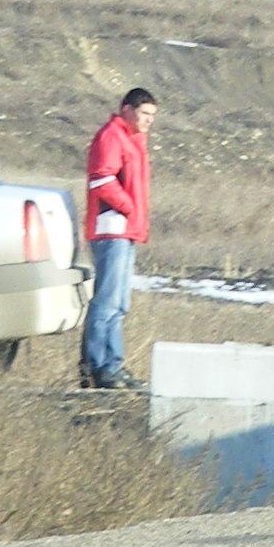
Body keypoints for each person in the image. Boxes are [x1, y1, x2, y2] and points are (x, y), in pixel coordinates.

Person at [80, 87, 157, 389]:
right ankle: (97, 366)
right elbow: (102, 179)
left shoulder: (134, 140)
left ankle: (113, 365)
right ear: (127, 109)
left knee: (119, 302)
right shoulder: (112, 136)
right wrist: (128, 207)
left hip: (126, 230)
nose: (149, 120)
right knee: (107, 301)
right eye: (144, 113)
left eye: (152, 115)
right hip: (110, 228)